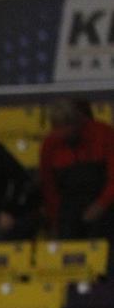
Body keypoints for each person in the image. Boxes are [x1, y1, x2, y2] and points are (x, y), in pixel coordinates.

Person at [39, 98, 114, 240]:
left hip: (104, 203)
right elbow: (49, 186)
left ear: (77, 122)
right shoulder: (50, 144)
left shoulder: (104, 134)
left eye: (66, 128)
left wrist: (100, 205)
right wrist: (55, 219)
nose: (62, 135)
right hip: (69, 206)